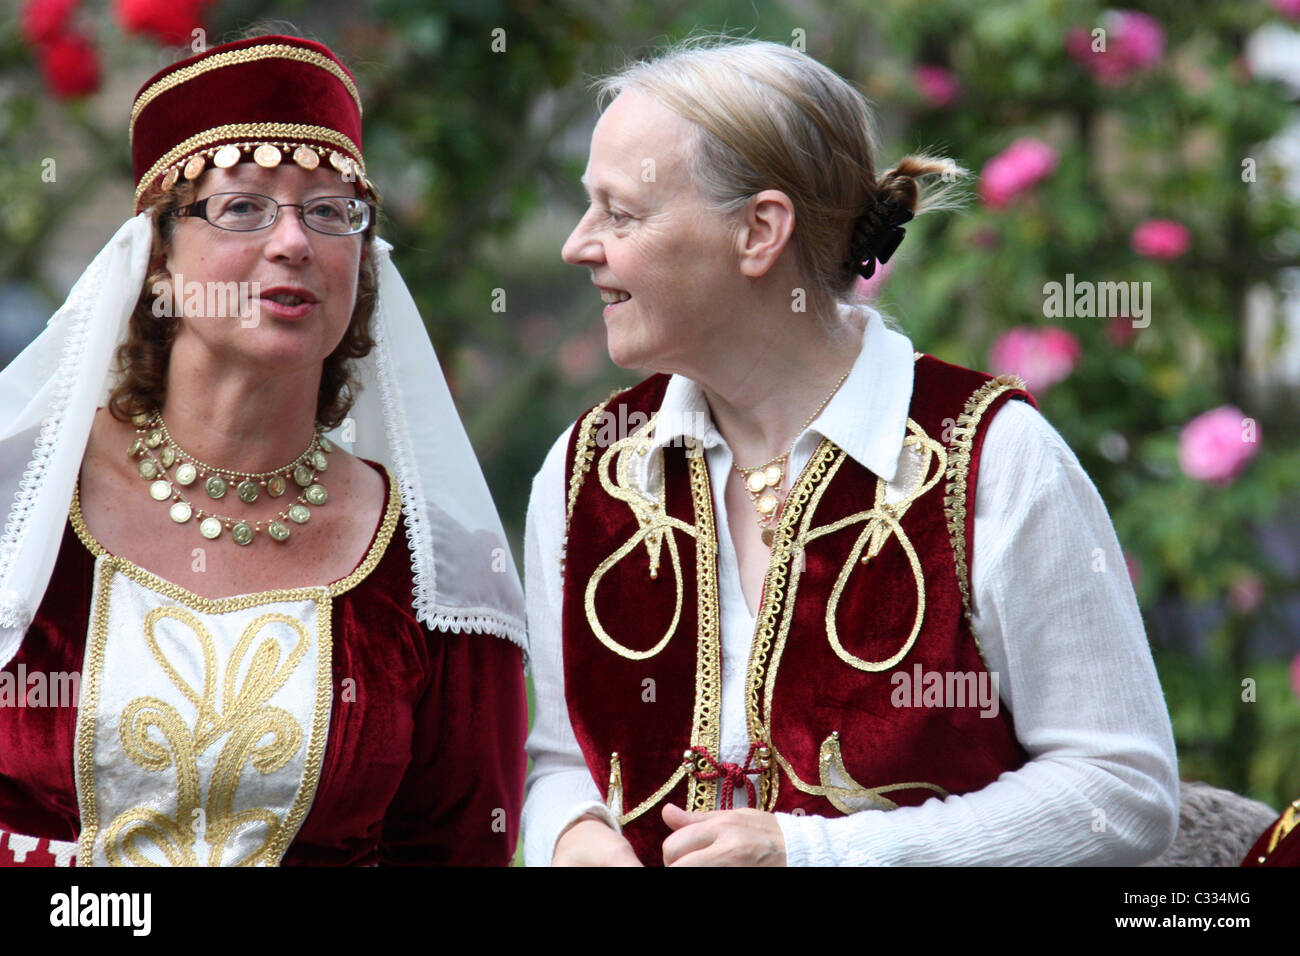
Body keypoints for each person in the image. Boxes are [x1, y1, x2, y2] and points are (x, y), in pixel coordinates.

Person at [521, 37, 1179, 866]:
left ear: (759, 231)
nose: (579, 245)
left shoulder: (993, 458)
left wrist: (817, 854)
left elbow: (1121, 792)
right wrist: (577, 837)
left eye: (620, 213)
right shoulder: (588, 469)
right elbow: (559, 762)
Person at [0, 34, 528, 867]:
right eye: (243, 206)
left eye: (330, 211)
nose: (295, 243)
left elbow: (460, 844)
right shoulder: (20, 498)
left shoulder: (436, 562)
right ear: (159, 261)